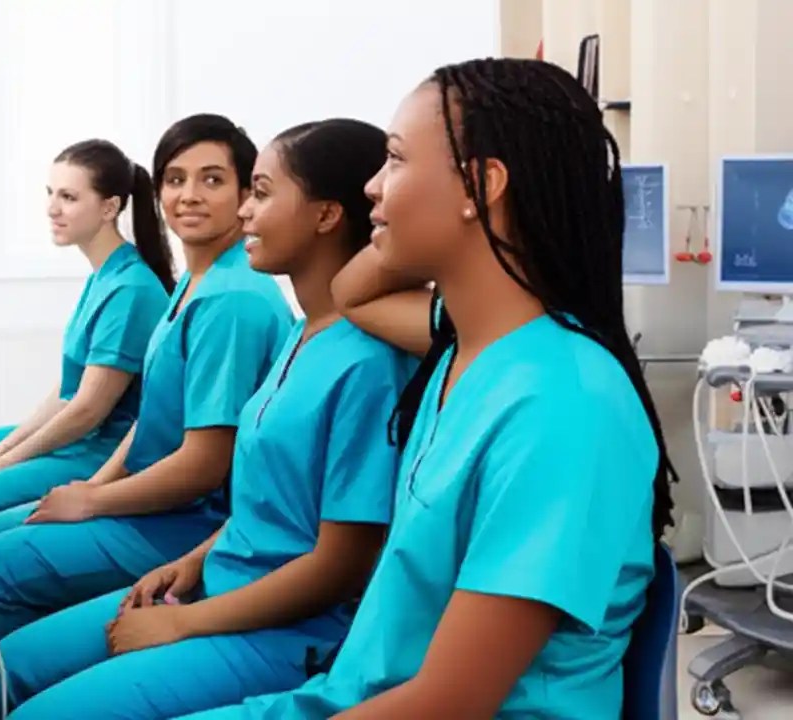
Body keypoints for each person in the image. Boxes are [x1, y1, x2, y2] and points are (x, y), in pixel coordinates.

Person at [180, 57, 677, 720]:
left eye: (394, 159)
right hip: (349, 694)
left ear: (480, 183)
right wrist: (393, 245)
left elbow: (452, 700)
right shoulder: (464, 345)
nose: (372, 188)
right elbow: (351, 292)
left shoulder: (564, 406)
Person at [0, 119, 415, 720]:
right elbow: (265, 506)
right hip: (217, 569)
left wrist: (182, 620)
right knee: (5, 661)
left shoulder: (361, 362)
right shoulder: (306, 332)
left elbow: (339, 562)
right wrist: (191, 565)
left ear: (327, 215)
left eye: (260, 192)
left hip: (287, 627)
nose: (247, 213)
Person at [0, 114, 293, 643]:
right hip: (150, 501)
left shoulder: (231, 299)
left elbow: (205, 464)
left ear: (246, 194)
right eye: (175, 179)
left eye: (212, 180)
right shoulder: (194, 283)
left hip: (182, 524)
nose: (189, 195)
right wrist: (91, 488)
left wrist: (91, 499)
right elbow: (154, 413)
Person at [0, 139, 175, 552]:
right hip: (84, 434)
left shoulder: (131, 289)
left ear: (109, 208)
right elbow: (67, 389)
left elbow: (86, 409)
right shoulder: (105, 276)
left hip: (101, 450)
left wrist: (7, 461)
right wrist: (1, 451)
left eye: (68, 197)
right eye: (50, 193)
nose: (51, 208)